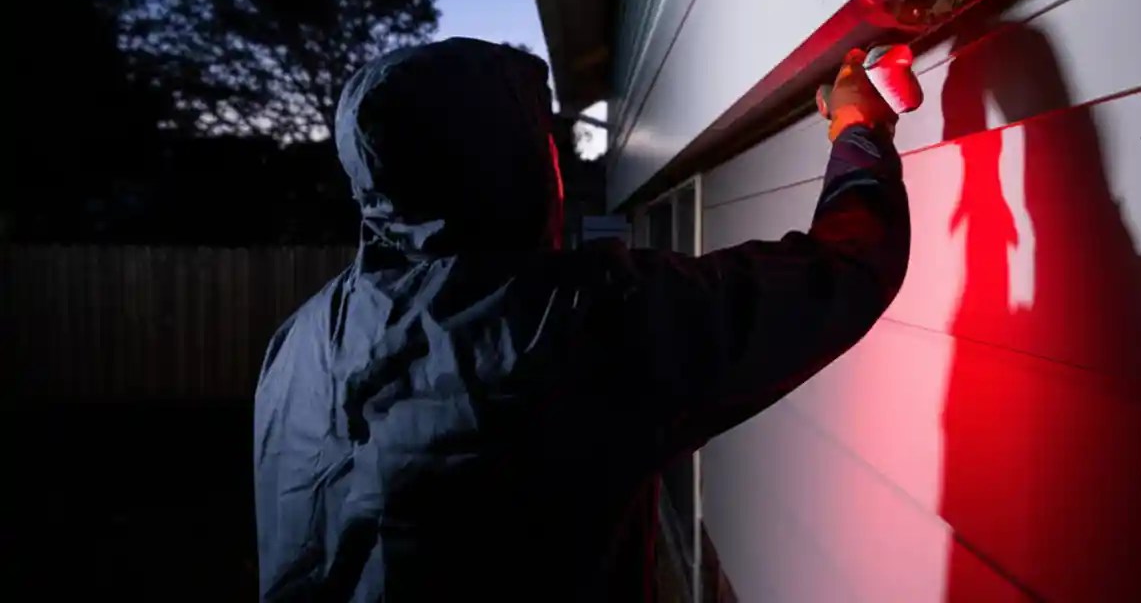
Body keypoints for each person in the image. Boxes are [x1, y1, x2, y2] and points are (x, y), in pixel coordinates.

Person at [253, 38, 911, 602]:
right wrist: (858, 128)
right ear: (507, 167)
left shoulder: (300, 340)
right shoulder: (572, 321)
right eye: (542, 145)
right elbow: (840, 275)